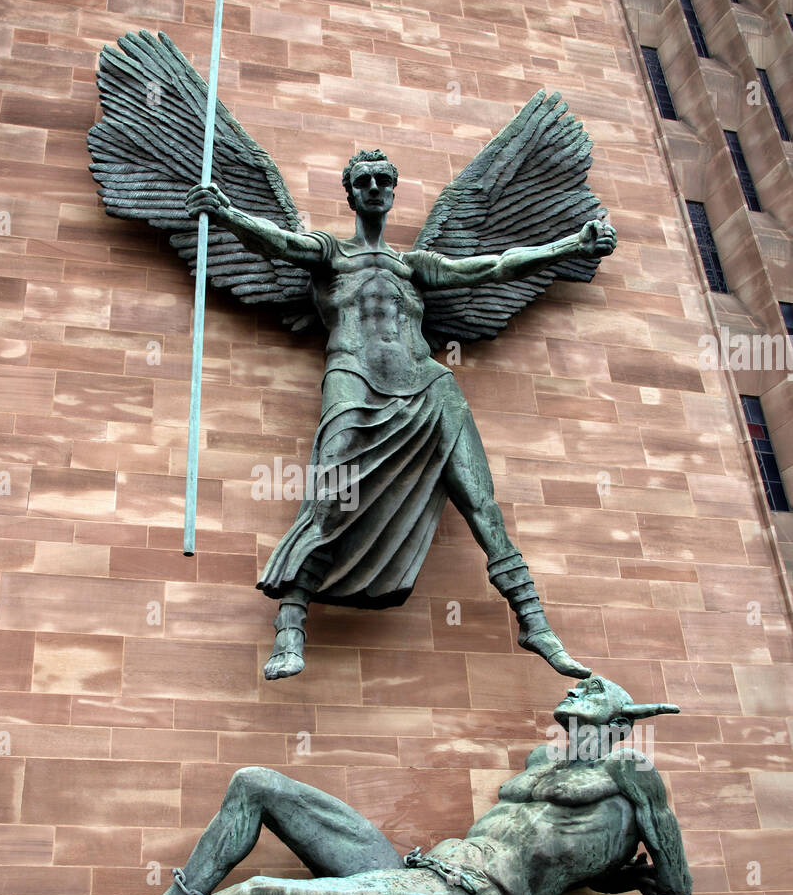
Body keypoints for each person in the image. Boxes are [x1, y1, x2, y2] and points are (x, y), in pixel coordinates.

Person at [184, 151, 616, 681]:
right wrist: (226, 215)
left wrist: (573, 245)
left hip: (429, 385)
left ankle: (534, 622)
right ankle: (291, 625)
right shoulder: (330, 254)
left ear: (392, 191)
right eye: (362, 180)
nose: (373, 187)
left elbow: (497, 265)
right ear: (350, 193)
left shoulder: (415, 265)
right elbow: (278, 241)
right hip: (355, 381)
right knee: (330, 500)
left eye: (383, 179)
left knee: (481, 503)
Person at [75, 675, 690, 895]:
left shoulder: (634, 774)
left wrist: (624, 874)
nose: (579, 696)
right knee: (256, 782)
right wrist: (601, 872)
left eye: (592, 696)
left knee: (260, 893)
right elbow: (558, 852)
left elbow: (676, 882)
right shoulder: (541, 761)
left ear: (620, 722)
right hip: (418, 871)